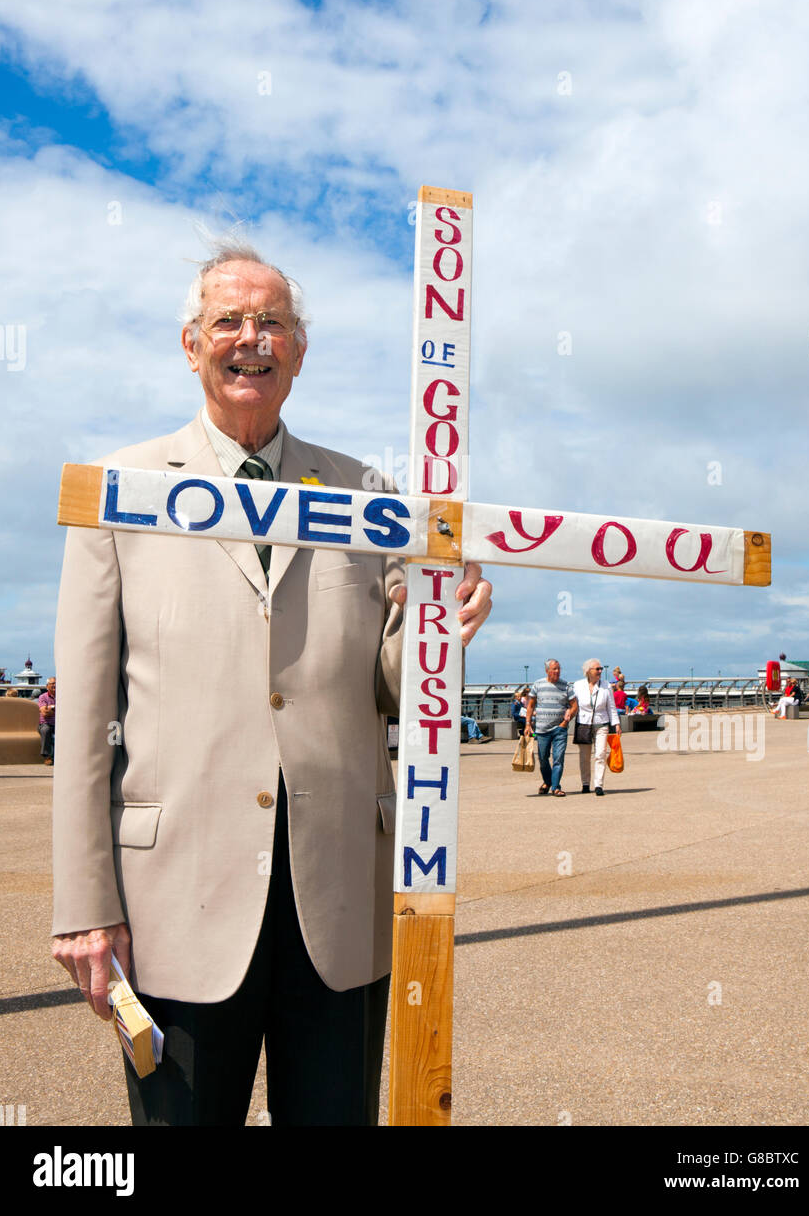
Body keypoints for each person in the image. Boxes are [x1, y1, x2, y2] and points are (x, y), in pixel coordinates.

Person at [50, 242, 492, 1127]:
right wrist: (84, 907)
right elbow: (87, 714)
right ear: (190, 344)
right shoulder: (120, 494)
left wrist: (443, 626)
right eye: (229, 320)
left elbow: (396, 691)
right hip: (177, 907)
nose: (251, 338)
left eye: (273, 322)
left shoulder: (369, 494)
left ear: (299, 349)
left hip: (339, 909)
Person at [523, 660, 577, 796]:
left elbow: (574, 705)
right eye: (554, 669)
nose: (557, 671)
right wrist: (528, 724)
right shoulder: (538, 685)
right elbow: (530, 705)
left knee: (558, 758)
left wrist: (566, 721)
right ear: (547, 670)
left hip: (560, 729)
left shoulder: (566, 686)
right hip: (541, 730)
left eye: (559, 669)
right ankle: (547, 781)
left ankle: (556, 787)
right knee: (543, 758)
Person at [572, 659, 621, 797]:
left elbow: (611, 707)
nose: (600, 671)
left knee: (600, 754)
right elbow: (573, 704)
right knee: (584, 756)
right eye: (597, 669)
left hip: (602, 723)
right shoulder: (578, 685)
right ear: (588, 671)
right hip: (583, 723)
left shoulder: (606, 686)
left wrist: (616, 724)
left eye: (601, 669)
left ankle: (599, 784)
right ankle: (585, 783)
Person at [37, 677, 56, 766]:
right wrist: (55, 708)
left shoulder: (62, 696)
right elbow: (44, 713)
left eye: (56, 683)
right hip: (45, 724)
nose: (54, 685)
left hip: (58, 724)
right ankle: (47, 756)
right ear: (47, 686)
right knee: (46, 730)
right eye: (52, 683)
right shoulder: (43, 697)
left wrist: (50, 708)